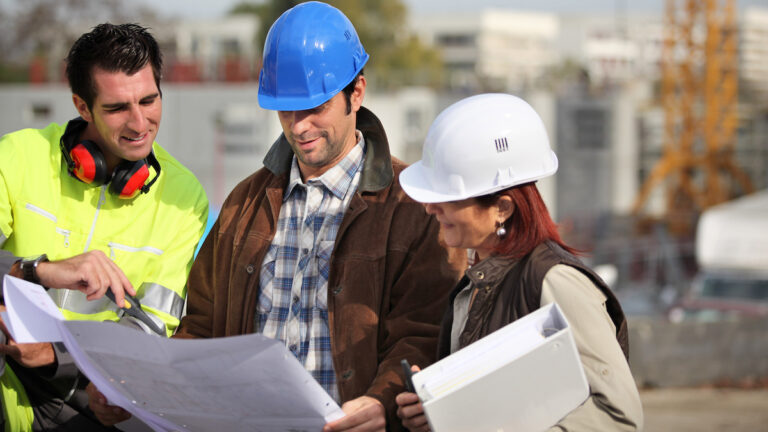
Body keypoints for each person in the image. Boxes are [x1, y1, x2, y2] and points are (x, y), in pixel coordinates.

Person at [162, 2, 463, 431]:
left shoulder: (412, 206)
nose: (299, 127)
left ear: (356, 92)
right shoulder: (243, 205)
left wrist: (383, 401)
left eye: (315, 108)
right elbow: (203, 326)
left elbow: (423, 331)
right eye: (287, 110)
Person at [0, 23, 209, 431]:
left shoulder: (186, 198)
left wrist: (56, 355)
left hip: (91, 400)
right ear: (82, 106)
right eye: (117, 108)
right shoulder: (16, 156)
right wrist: (38, 270)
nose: (139, 123)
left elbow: (152, 327)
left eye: (149, 101)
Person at [395, 93, 644, 431]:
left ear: (502, 208)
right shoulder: (474, 287)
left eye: (448, 197)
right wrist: (437, 413)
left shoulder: (555, 282)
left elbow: (618, 416)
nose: (430, 208)